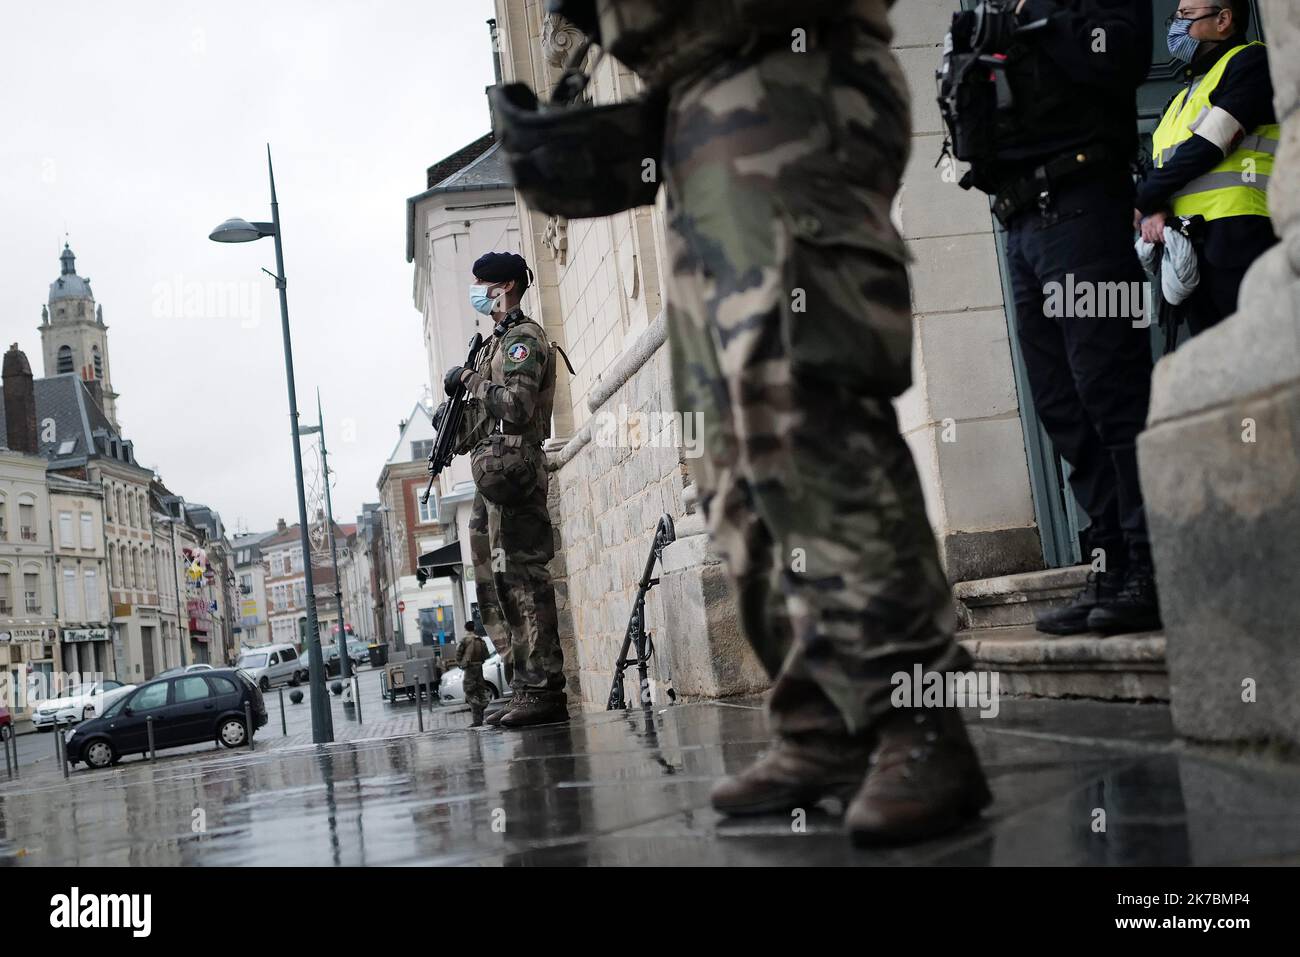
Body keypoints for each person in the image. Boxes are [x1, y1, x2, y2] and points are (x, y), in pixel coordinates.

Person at [571, 0, 991, 846]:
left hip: (787, 76)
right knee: (729, 454)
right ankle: (822, 724)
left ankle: (921, 721)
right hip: (699, 110)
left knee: (803, 409)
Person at [946, 0, 1159, 637]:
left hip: (1082, 202)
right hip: (1018, 219)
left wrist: (1034, 28)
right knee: (1060, 402)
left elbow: (1122, 55)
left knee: (1108, 387)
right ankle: (1109, 562)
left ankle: (1149, 566)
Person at [439, 251, 568, 728]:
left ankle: (544, 689)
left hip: (517, 470)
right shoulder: (495, 343)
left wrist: (471, 380)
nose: (477, 292)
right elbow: (487, 420)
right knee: (495, 584)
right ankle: (522, 684)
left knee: (525, 579)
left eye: (482, 283)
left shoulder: (522, 339)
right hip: (495, 472)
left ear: (507, 285)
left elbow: (515, 407)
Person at [1136, 0, 1278, 336]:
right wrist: (1154, 206)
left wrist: (1144, 199)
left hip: (1243, 239)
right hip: (1193, 249)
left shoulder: (1253, 61)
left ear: (1223, 19)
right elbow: (1153, 165)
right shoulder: (1180, 97)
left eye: (1185, 16)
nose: (1175, 26)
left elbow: (1212, 142)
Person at [457, 628, 492, 727]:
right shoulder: (480, 640)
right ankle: (480, 713)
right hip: (479, 668)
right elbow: (486, 655)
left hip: (469, 669)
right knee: (481, 691)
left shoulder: (464, 640)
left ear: (465, 628)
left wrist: (461, 664)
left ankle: (477, 720)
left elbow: (458, 654)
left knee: (470, 692)